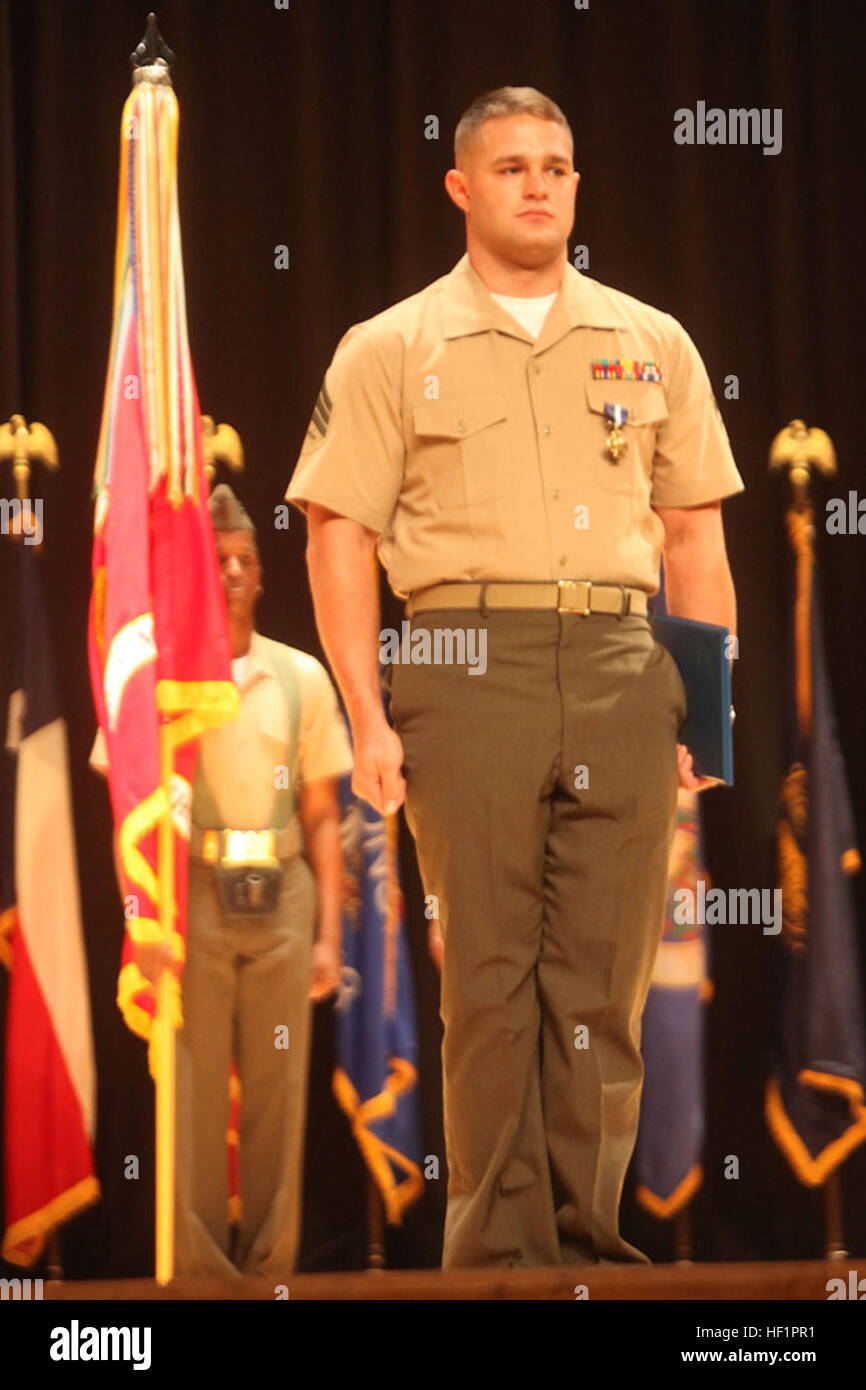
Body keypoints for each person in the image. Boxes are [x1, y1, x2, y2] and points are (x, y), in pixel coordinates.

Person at [284, 86, 743, 1270]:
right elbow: (335, 535)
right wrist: (364, 715)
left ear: (576, 186)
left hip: (620, 664)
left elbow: (692, 536)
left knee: (601, 989)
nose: (537, 183)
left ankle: (586, 1249)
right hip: (460, 664)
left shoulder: (650, 340)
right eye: (510, 167)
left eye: (555, 166)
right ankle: (496, 1259)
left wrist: (710, 707)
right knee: (487, 983)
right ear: (462, 188)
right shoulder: (390, 345)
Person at [92, 483, 353, 1278]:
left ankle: (271, 1269)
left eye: (245, 560)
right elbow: (131, 808)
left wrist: (327, 938)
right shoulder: (159, 682)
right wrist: (145, 923)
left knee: (280, 1091)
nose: (233, 573)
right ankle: (200, 1276)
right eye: (218, 561)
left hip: (281, 892)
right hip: (193, 892)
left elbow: (320, 817)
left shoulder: (301, 675)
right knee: (193, 1092)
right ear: (197, 576)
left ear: (263, 575)